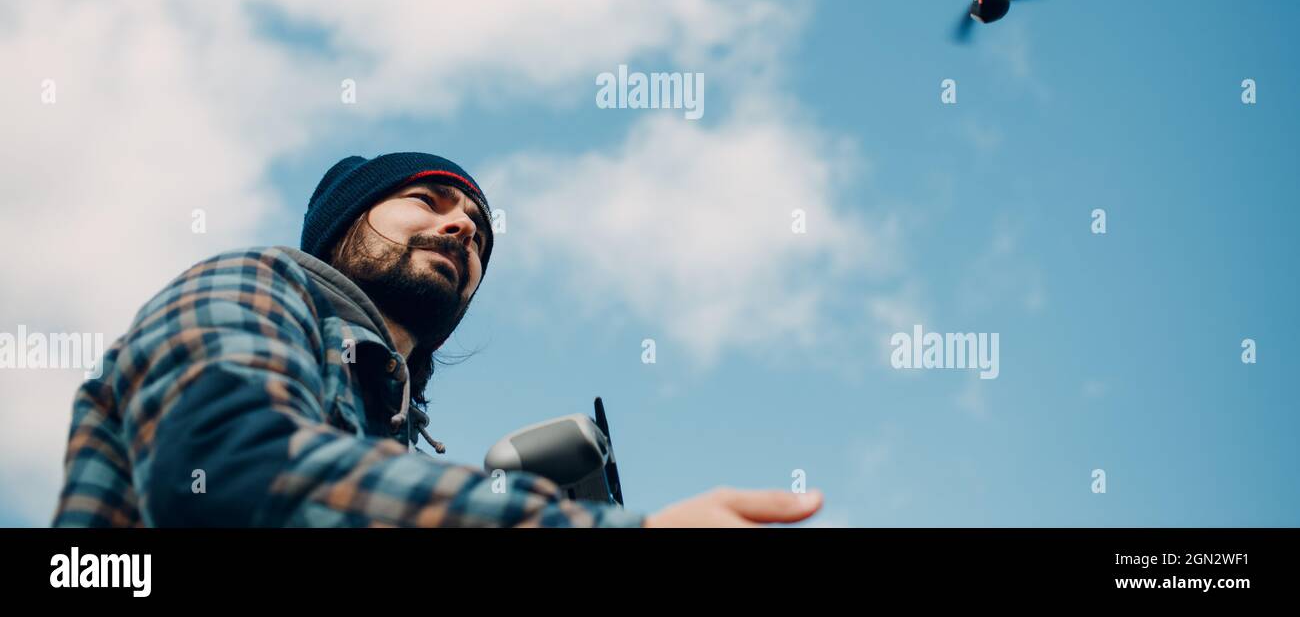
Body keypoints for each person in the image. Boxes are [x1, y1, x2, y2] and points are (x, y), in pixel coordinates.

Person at [52, 151, 823, 527]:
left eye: (480, 231)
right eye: (427, 200)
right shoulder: (254, 282)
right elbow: (226, 475)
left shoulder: (394, 447)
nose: (461, 226)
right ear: (345, 225)